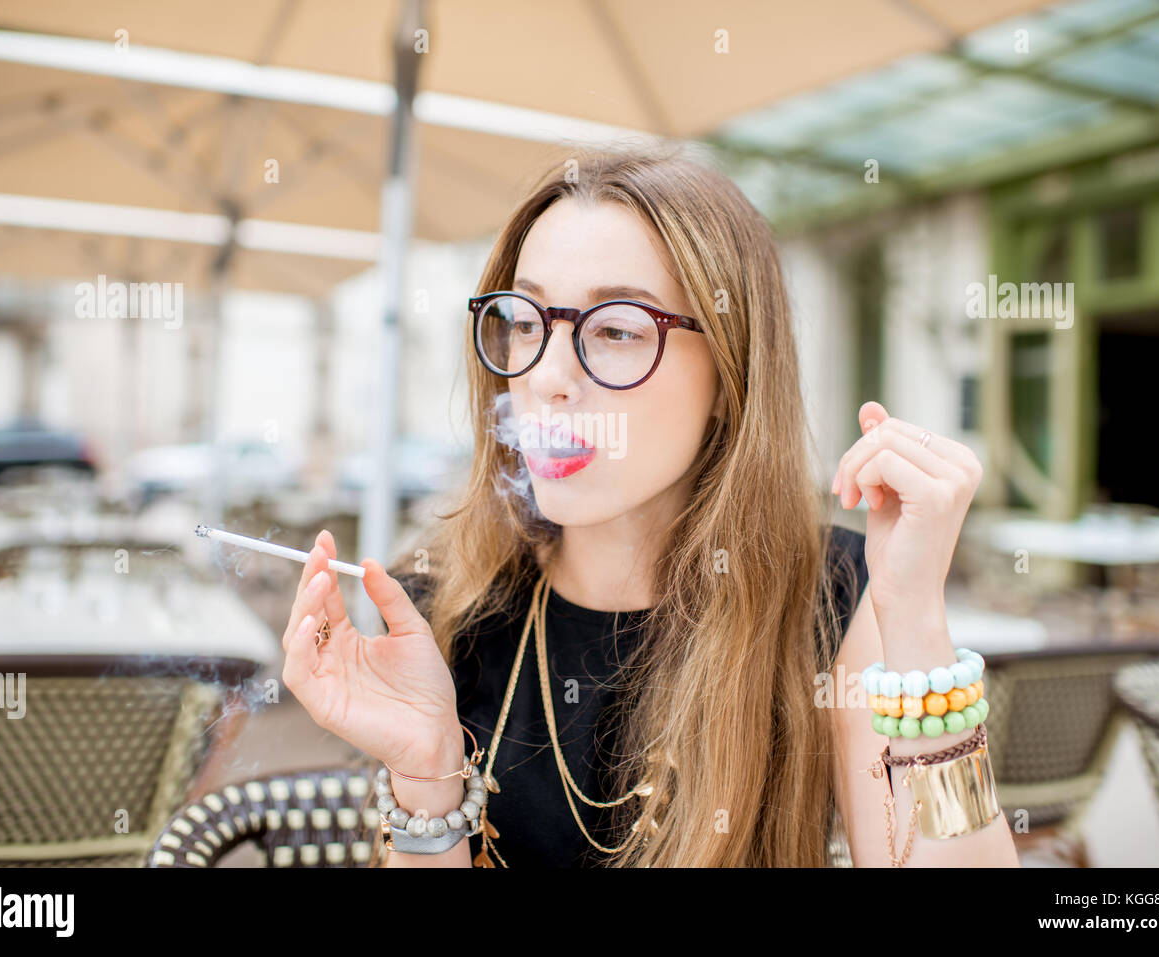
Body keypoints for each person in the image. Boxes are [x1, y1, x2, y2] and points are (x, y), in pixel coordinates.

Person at [280, 144, 1018, 868]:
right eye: (527, 322)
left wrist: (917, 620)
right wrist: (425, 775)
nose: (549, 378)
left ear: (731, 372)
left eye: (617, 330)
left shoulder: (830, 597)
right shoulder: (445, 599)